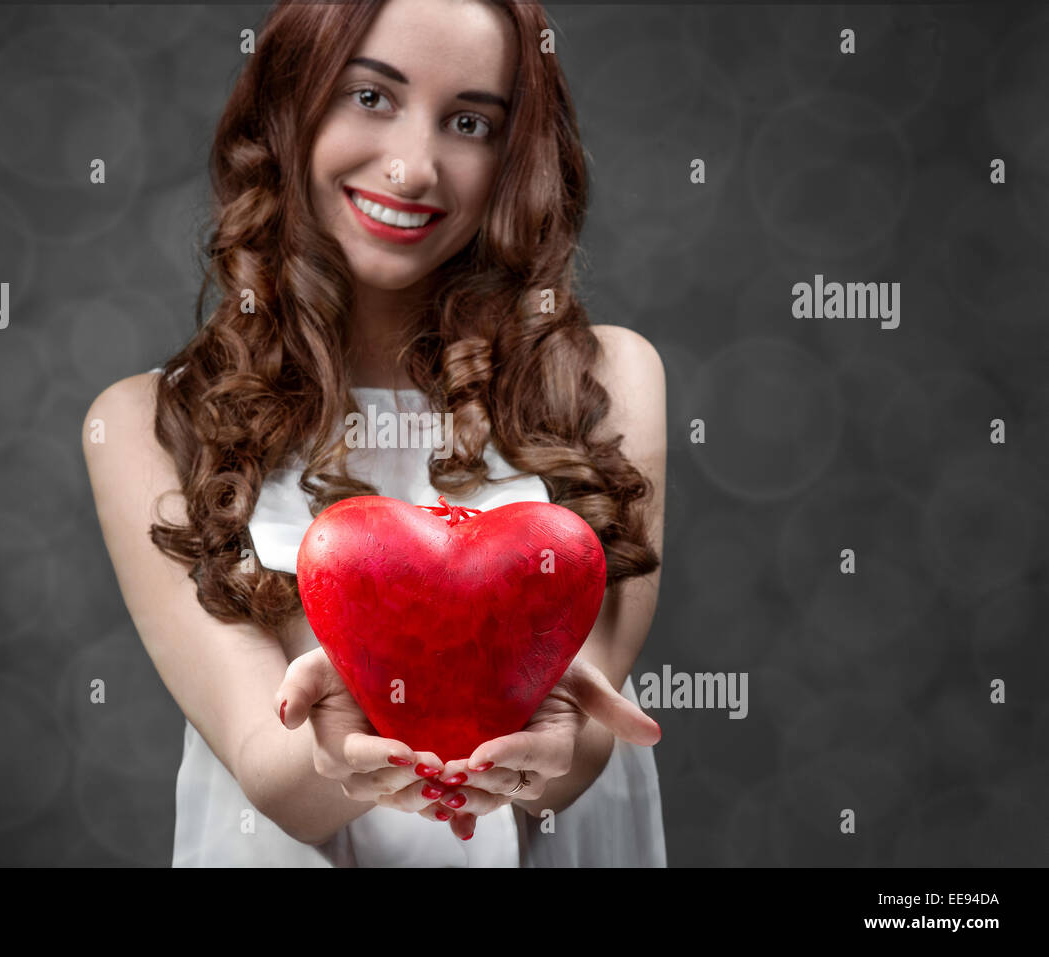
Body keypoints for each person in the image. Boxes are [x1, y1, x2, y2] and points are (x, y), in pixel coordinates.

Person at [83, 0, 669, 867]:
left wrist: (547, 746)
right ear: (292, 106)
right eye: (370, 97)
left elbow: (576, 757)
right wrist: (343, 745)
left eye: (469, 121)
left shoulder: (607, 381)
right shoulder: (144, 423)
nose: (413, 167)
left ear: (511, 156)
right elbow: (273, 776)